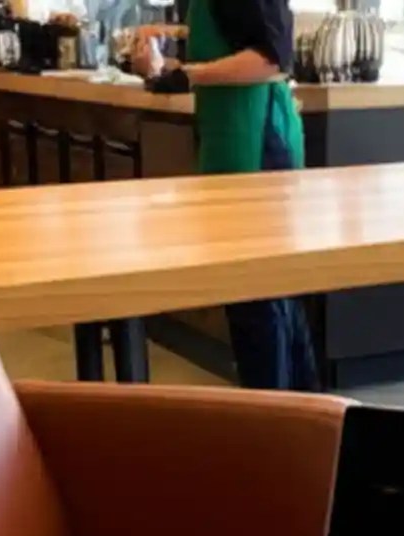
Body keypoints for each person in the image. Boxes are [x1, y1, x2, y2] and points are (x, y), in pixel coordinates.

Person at [131, 1, 318, 391]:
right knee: (263, 297)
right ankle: (298, 419)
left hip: (257, 142)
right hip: (232, 138)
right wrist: (173, 40)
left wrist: (187, 75)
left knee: (260, 297)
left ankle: (279, 423)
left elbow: (272, 57)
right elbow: (233, 31)